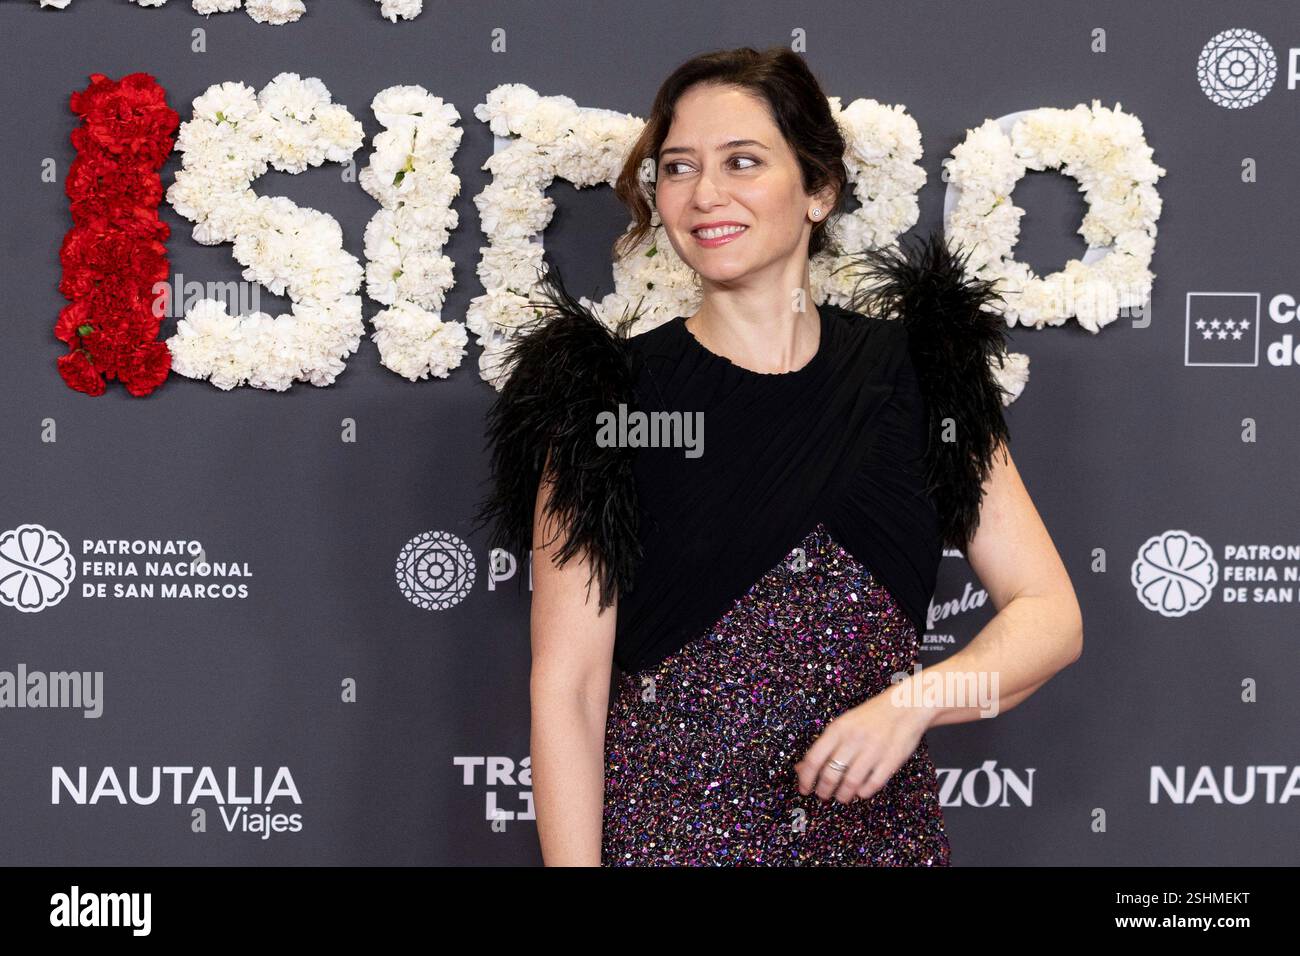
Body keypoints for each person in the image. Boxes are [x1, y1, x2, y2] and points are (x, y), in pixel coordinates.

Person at [474, 46, 1083, 866]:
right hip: (674, 842)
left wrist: (910, 705)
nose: (705, 194)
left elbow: (1049, 618)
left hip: (878, 844)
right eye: (678, 168)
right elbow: (570, 690)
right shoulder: (603, 400)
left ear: (819, 190)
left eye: (743, 161)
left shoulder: (923, 377)